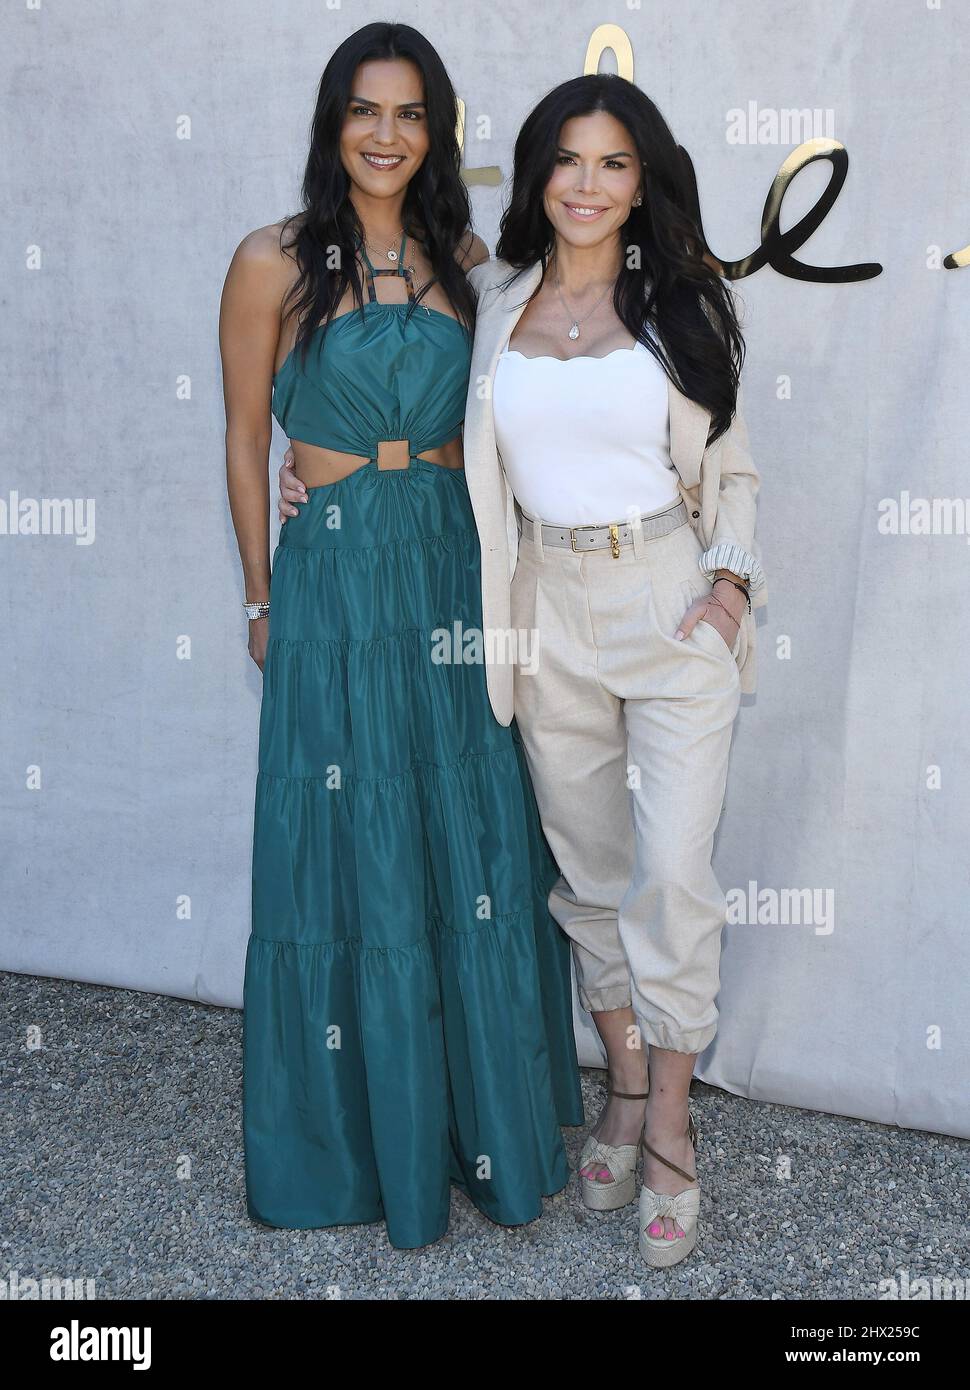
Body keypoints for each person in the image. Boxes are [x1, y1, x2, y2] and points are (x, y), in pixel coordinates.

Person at [284, 72, 767, 1268]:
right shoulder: (492, 302)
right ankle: (616, 1086)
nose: (587, 185)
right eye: (567, 160)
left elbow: (735, 469)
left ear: (640, 181)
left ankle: (668, 1126)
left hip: (663, 599)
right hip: (539, 610)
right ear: (536, 174)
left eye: (612, 164)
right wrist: (316, 469)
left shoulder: (678, 306)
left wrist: (728, 588)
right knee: (589, 870)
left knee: (671, 873)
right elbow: (421, 424)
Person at [221, 22, 582, 1252]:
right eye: (365, 111)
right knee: (348, 828)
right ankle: (356, 1139)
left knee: (464, 827)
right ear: (333, 124)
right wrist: (262, 598)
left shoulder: (463, 254)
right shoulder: (270, 259)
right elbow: (240, 441)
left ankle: (478, 1120)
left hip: (444, 557)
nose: (387, 134)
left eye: (412, 113)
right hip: (330, 575)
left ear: (439, 131)